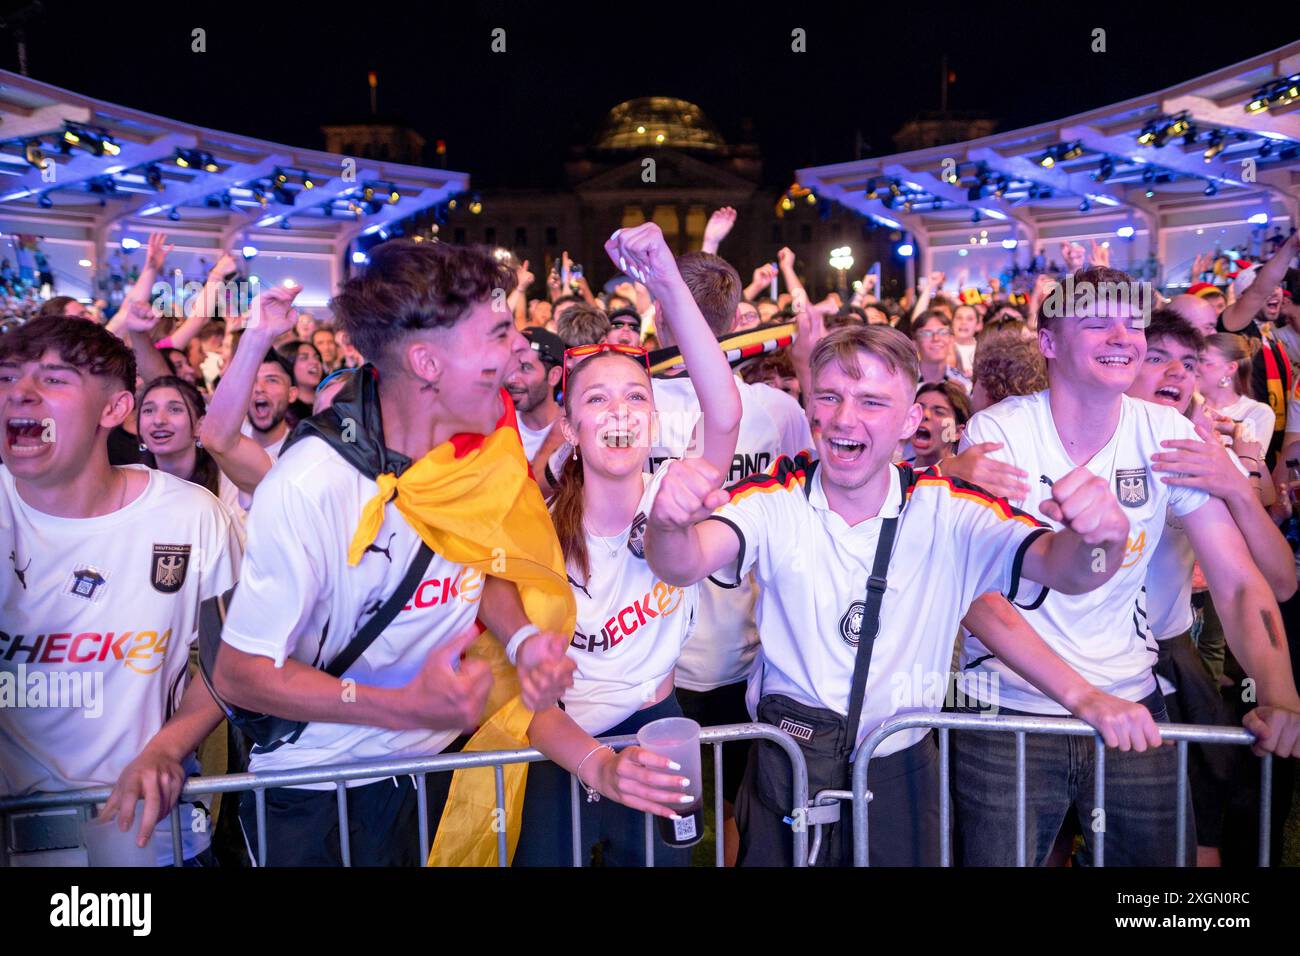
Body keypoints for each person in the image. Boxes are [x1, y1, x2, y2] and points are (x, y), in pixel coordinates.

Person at [643, 320, 1169, 866]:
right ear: (810, 409)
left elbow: (1065, 571)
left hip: (902, 767)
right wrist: (667, 524)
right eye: (829, 397)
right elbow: (681, 563)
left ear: (910, 419)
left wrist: (1097, 539)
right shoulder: (775, 495)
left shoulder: (952, 506)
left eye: (872, 401)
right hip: (792, 758)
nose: (846, 418)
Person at [210, 240, 574, 866]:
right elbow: (241, 673)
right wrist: (397, 707)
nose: (520, 350)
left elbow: (473, 560)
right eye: (497, 333)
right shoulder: (311, 484)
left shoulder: (476, 450)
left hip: (433, 771)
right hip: (316, 792)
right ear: (427, 362)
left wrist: (522, 643)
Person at [951, 266, 1300, 867]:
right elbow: (981, 597)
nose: (1122, 335)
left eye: (1132, 322)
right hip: (1010, 712)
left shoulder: (1165, 433)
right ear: (1050, 343)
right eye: (1096, 322)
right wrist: (1084, 697)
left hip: (1134, 703)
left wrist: (1280, 693)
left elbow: (1240, 582)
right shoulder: (998, 431)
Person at [516, 223, 742, 866]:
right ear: (569, 424)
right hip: (556, 740)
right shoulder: (534, 524)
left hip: (657, 727)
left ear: (654, 416)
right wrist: (595, 764)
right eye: (597, 398)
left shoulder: (675, 492)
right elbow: (518, 693)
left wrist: (668, 278)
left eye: (634, 397)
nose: (618, 413)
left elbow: (724, 411)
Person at [0, 317, 240, 866]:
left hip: (152, 842)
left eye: (54, 379)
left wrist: (166, 747)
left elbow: (235, 659)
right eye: (8, 376)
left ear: (114, 411)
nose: (21, 392)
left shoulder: (189, 516)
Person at [1126, 309, 1296, 865]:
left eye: (1189, 362)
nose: (1175, 371)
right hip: (1067, 663)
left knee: (1195, 829)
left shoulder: (1201, 455)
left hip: (1168, 657)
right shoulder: (1073, 445)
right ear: (1120, 365)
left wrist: (1239, 487)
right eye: (1157, 357)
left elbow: (1278, 582)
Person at [136, 375, 222, 496]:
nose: (159, 420)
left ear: (200, 425)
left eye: (175, 409)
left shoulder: (227, 482)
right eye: (149, 410)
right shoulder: (131, 485)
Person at [1198, 332, 1275, 447]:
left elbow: (1249, 463)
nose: (1193, 366)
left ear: (1230, 368)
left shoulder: (1257, 412)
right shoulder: (1186, 404)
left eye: (1202, 361)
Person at [504, 327, 564, 462]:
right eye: (509, 367)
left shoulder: (572, 434)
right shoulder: (496, 427)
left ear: (554, 375)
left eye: (525, 368)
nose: (511, 379)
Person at [904, 381, 970, 469]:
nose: (924, 414)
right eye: (919, 409)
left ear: (957, 432)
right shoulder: (895, 471)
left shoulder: (962, 480)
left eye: (939, 412)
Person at [912, 309, 971, 393]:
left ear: (951, 340)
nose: (936, 338)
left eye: (942, 332)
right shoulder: (904, 381)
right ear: (915, 344)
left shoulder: (963, 384)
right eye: (926, 333)